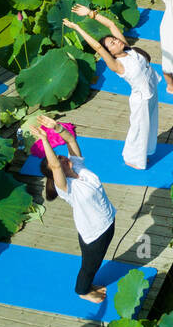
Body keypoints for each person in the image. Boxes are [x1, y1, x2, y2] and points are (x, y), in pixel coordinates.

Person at [31, 115, 116, 304]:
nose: (62, 160)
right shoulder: (65, 187)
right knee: (89, 266)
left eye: (61, 157)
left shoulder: (78, 165)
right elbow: (54, 165)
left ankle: (89, 285)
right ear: (54, 173)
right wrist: (45, 139)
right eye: (59, 163)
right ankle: (83, 290)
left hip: (108, 220)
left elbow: (70, 139)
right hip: (94, 233)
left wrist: (56, 127)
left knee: (96, 262)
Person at [63, 5, 159, 171]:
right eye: (112, 44)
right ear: (111, 53)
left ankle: (147, 150)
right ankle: (133, 158)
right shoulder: (117, 65)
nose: (116, 41)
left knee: (151, 123)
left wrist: (91, 14)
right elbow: (98, 47)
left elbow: (111, 26)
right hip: (141, 99)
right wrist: (78, 28)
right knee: (139, 129)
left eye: (114, 40)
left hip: (151, 91)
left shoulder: (129, 49)